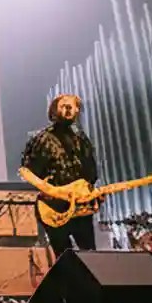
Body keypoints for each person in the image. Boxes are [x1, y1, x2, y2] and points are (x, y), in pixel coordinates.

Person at [18, 94, 100, 259]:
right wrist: (49, 190)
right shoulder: (43, 139)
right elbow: (27, 171)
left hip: (80, 208)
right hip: (54, 208)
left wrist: (94, 193)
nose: (68, 108)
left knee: (91, 256)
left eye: (72, 106)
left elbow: (91, 173)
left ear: (77, 110)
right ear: (54, 111)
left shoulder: (82, 140)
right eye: (63, 105)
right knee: (64, 258)